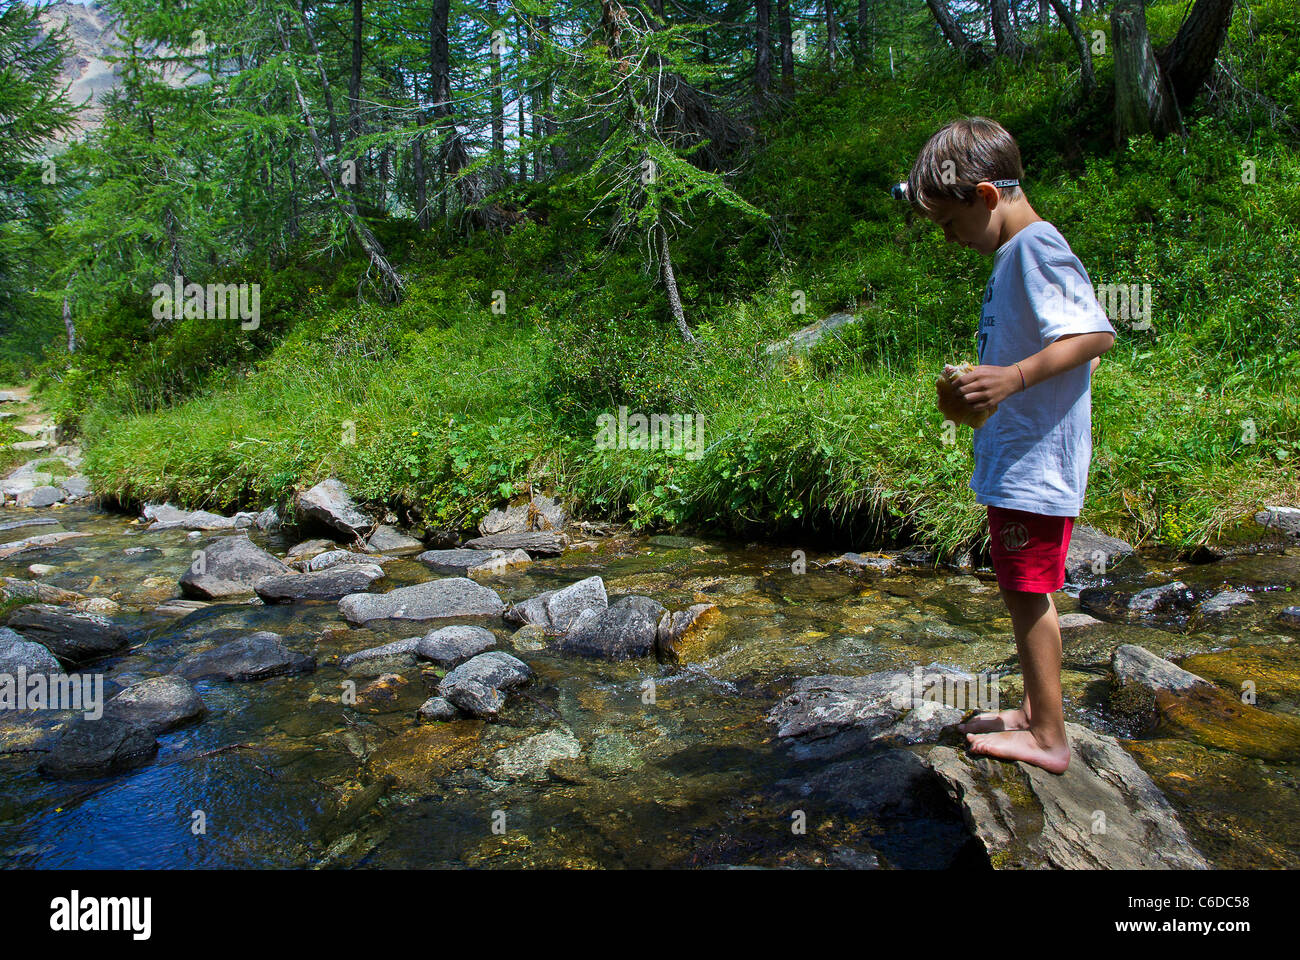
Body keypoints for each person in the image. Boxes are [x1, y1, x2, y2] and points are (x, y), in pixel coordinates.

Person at [903, 117, 1116, 773]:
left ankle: (1050, 738)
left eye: (947, 223)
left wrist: (1014, 377)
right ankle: (1033, 710)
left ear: (987, 197)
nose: (948, 238)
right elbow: (1069, 356)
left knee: (1028, 591)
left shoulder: (1035, 249)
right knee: (1021, 585)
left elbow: (1095, 338)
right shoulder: (1014, 256)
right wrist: (973, 396)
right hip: (1020, 460)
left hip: (1036, 468)